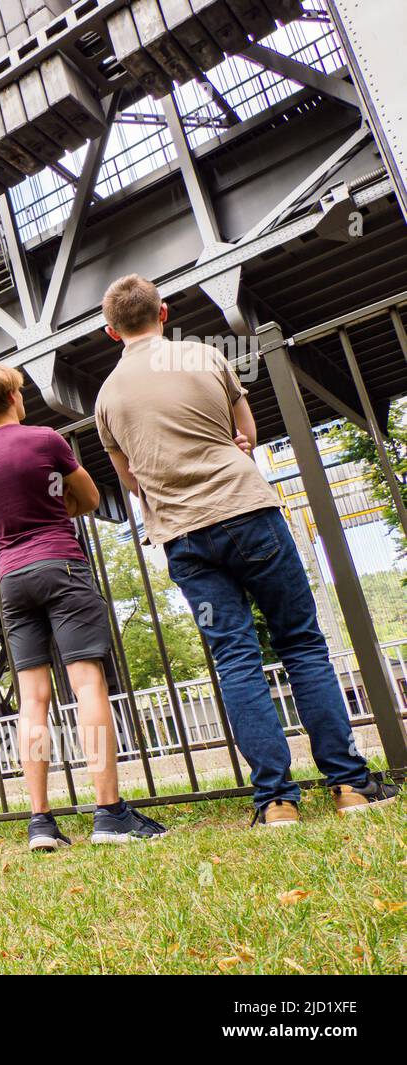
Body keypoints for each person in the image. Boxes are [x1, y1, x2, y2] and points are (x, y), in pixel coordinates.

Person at [94, 274, 398, 827]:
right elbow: (246, 433)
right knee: (302, 643)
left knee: (235, 659)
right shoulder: (205, 356)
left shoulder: (107, 398)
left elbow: (131, 481)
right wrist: (230, 447)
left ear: (112, 332)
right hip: (248, 513)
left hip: (184, 536)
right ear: (163, 312)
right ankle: (350, 785)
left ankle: (276, 802)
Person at [0, 362, 168, 850]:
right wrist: (59, 510)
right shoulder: (45, 439)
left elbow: (1, 517)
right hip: (61, 565)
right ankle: (109, 813)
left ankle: (40, 822)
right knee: (87, 683)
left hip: (10, 577)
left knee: (32, 700)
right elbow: (91, 497)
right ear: (13, 395)